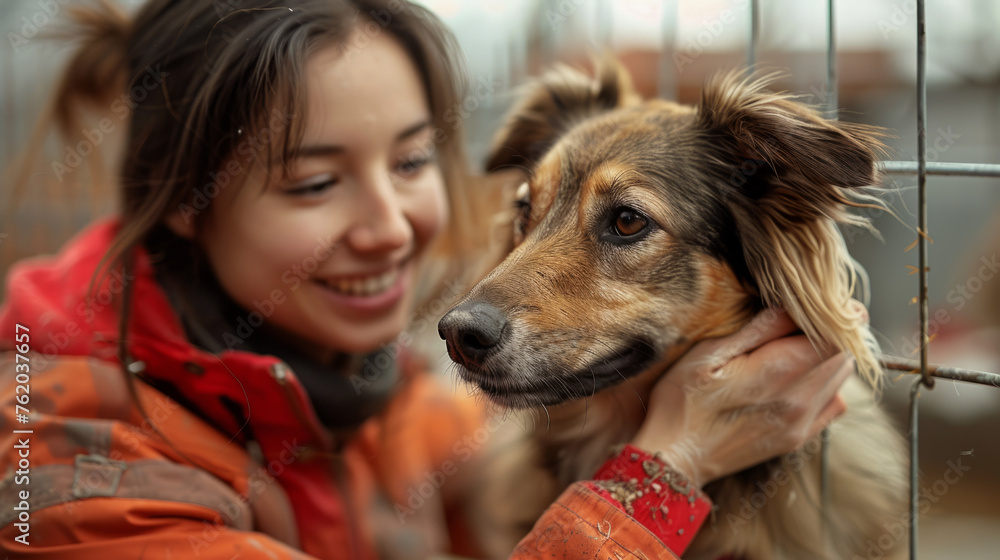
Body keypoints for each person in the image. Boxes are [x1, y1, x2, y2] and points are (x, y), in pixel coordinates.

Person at [0, 1, 851, 558]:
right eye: (314, 182)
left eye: (411, 160)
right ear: (185, 202)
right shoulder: (69, 468)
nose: (392, 226)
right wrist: (666, 470)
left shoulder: (380, 393)